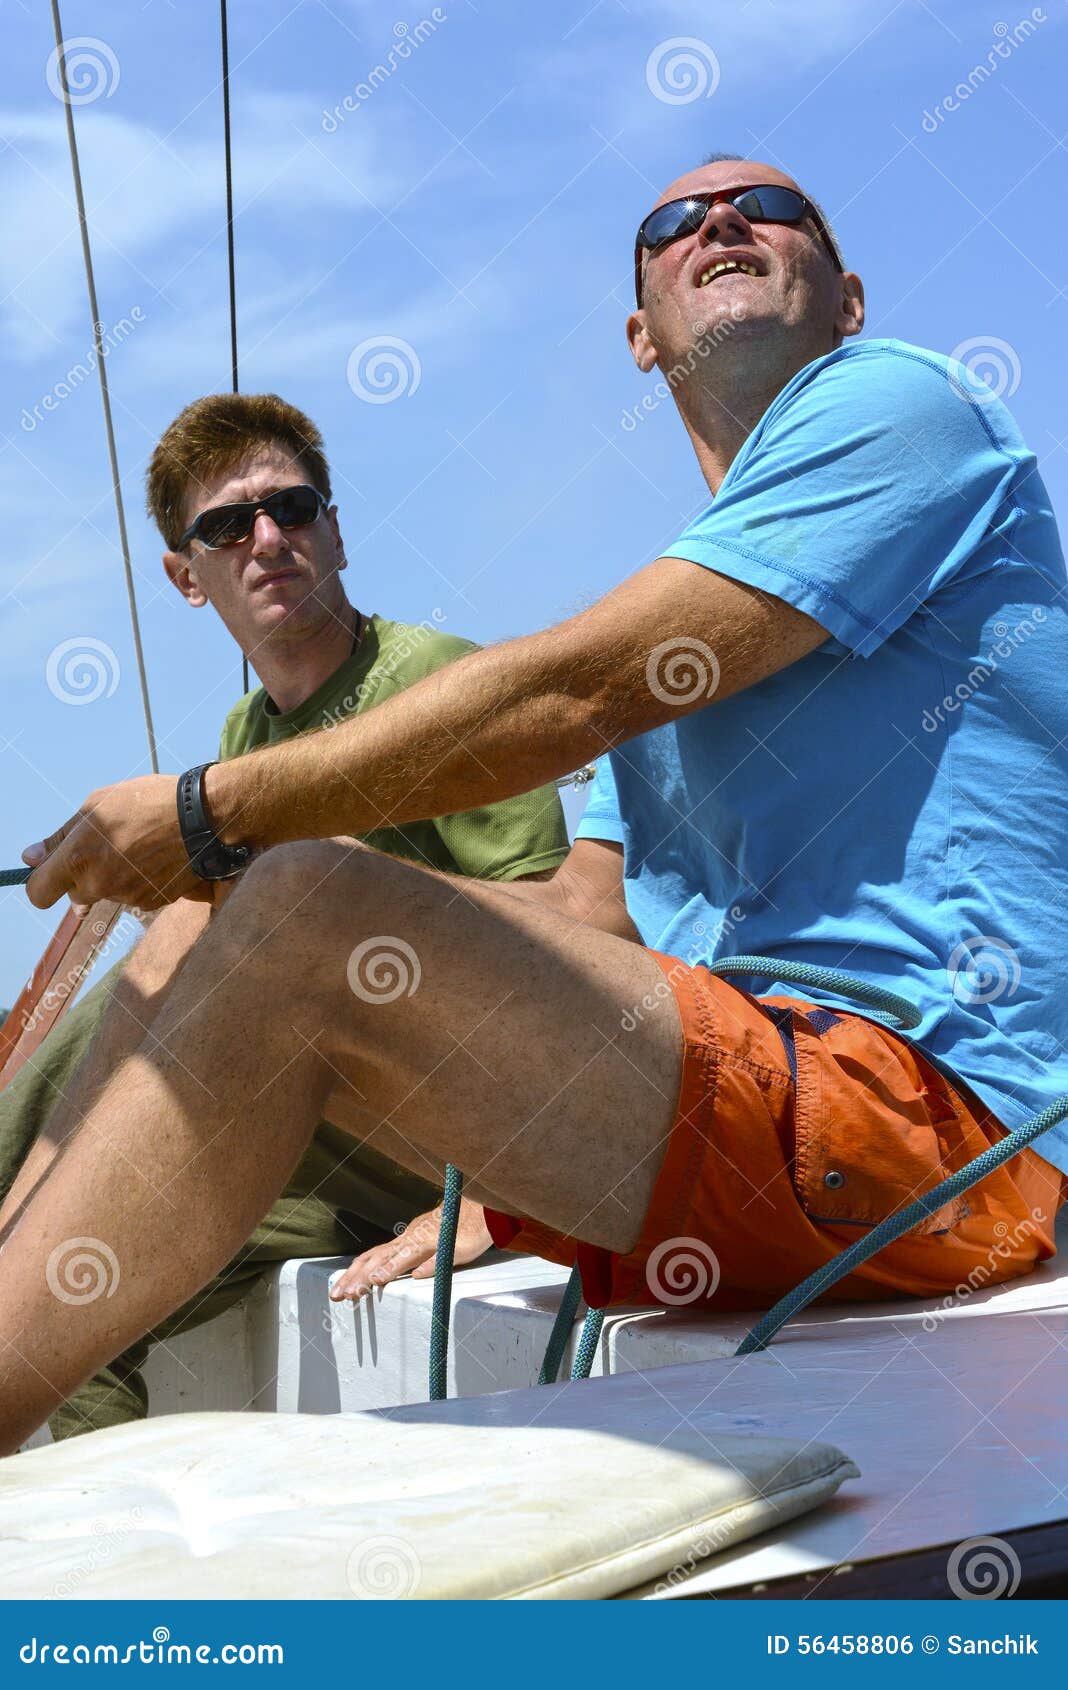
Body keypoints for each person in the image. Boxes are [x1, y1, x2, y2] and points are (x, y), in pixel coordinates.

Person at [4, 153, 1068, 1456]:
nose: (721, 221)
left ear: (846, 300)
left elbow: (577, 688)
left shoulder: (905, 405)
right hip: (761, 1114)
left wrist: (210, 813)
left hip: (944, 1129)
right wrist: (487, 1130)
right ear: (641, 337)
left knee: (290, 903)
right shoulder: (692, 605)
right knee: (201, 927)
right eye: (673, 224)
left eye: (770, 208)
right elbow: (588, 913)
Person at [0, 391, 568, 1441]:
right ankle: (118, 1545)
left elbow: (563, 935)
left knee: (185, 940)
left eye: (292, 509)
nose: (267, 539)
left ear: (335, 531)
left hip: (446, 1127)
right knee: (78, 1306)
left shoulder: (434, 679)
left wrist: (499, 1198)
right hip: (313, 1130)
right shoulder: (244, 736)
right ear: (187, 576)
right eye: (226, 525)